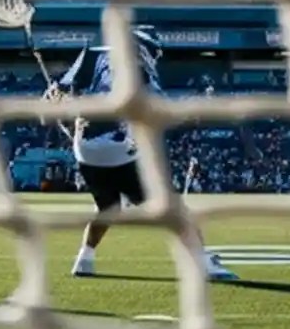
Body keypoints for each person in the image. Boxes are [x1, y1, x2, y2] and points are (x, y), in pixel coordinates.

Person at [49, 25, 239, 281]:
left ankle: (84, 260)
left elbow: (54, 97)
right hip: (120, 148)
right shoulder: (141, 74)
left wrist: (71, 120)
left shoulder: (91, 54)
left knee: (109, 208)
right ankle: (203, 263)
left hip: (85, 150)